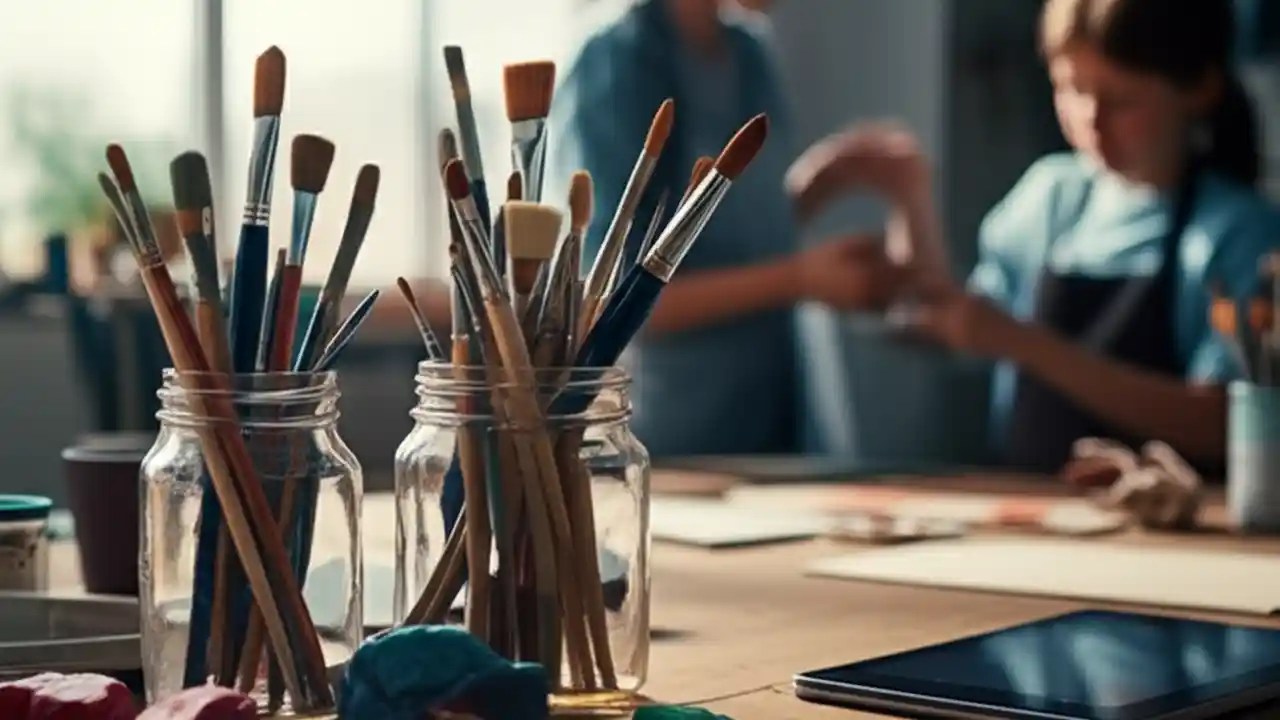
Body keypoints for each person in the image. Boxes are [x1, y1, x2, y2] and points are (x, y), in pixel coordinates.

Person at [786, 0, 1280, 472]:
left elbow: (1223, 421)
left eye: (1122, 99)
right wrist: (909, 199)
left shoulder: (1235, 231)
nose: (1093, 120)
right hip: (1035, 505)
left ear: (1199, 89)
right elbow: (962, 329)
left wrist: (1024, 344)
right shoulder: (1051, 198)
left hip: (1171, 523)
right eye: (1072, 89)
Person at [549, 0, 902, 458]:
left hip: (775, 433)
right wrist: (801, 279)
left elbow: (732, 237)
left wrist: (822, 184)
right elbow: (620, 306)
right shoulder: (617, 65)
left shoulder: (750, 53)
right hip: (682, 440)